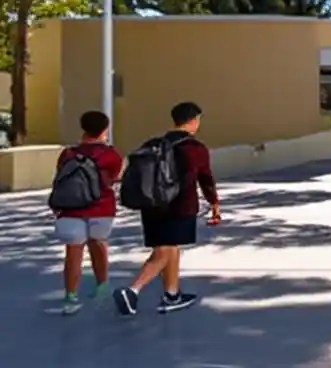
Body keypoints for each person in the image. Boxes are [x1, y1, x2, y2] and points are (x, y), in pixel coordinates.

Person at [114, 102, 220, 316]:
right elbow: (206, 179)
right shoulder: (195, 149)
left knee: (170, 248)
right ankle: (133, 291)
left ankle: (172, 295)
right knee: (164, 252)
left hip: (152, 205)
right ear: (194, 121)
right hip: (180, 206)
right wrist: (214, 203)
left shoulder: (153, 144)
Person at [49, 110, 124, 315]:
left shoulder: (68, 153)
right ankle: (102, 285)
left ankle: (71, 296)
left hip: (70, 208)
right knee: (98, 243)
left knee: (73, 252)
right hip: (101, 207)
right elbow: (114, 177)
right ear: (105, 129)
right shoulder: (111, 154)